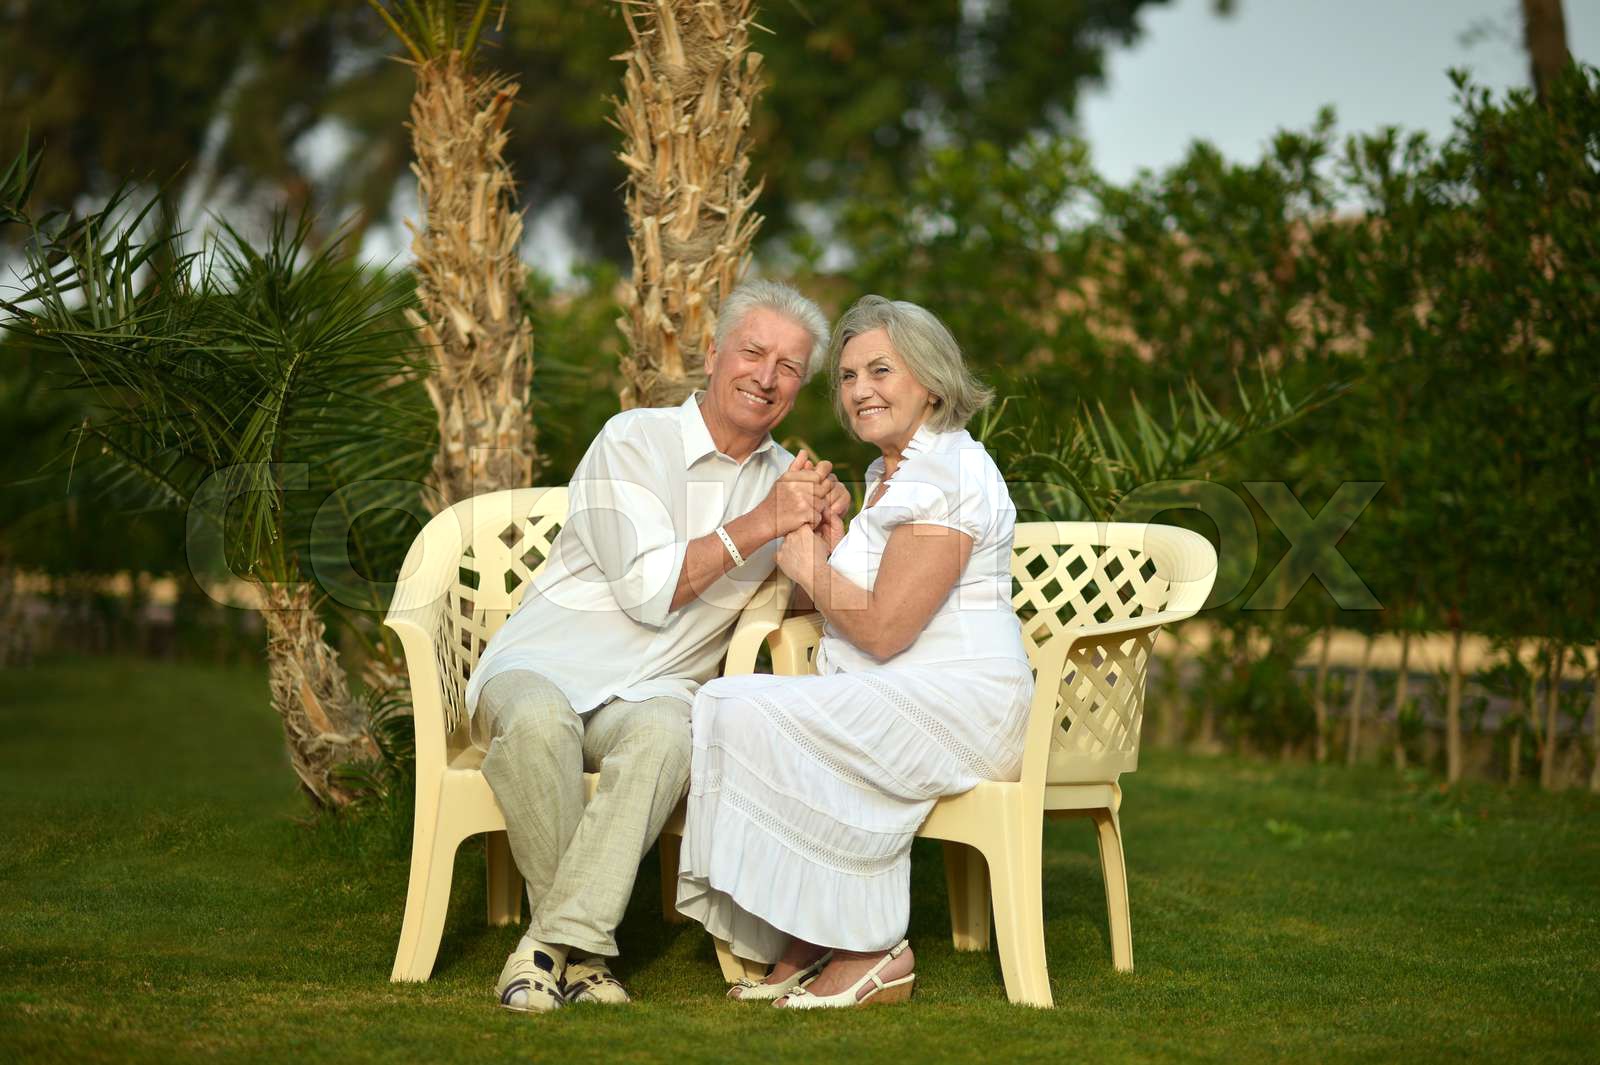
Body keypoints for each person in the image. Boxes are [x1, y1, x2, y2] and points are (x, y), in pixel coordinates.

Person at [463, 280, 849, 1013]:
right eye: (753, 352)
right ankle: (584, 954)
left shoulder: (785, 483)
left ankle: (550, 951)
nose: (766, 377)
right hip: (543, 665)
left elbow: (814, 606)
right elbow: (649, 590)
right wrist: (764, 521)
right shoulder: (633, 440)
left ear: (801, 385)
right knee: (540, 723)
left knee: (672, 732)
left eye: (790, 367)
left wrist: (834, 527)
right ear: (712, 355)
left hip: (654, 692)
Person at [676, 295, 1033, 1008]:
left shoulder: (949, 475)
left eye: (880, 370)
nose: (860, 389)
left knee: (737, 704)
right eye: (845, 376)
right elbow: (868, 604)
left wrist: (807, 563)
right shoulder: (890, 474)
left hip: (961, 703)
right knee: (730, 703)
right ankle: (816, 927)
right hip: (906, 691)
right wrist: (835, 543)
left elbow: (885, 629)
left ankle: (872, 945)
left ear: (931, 380)